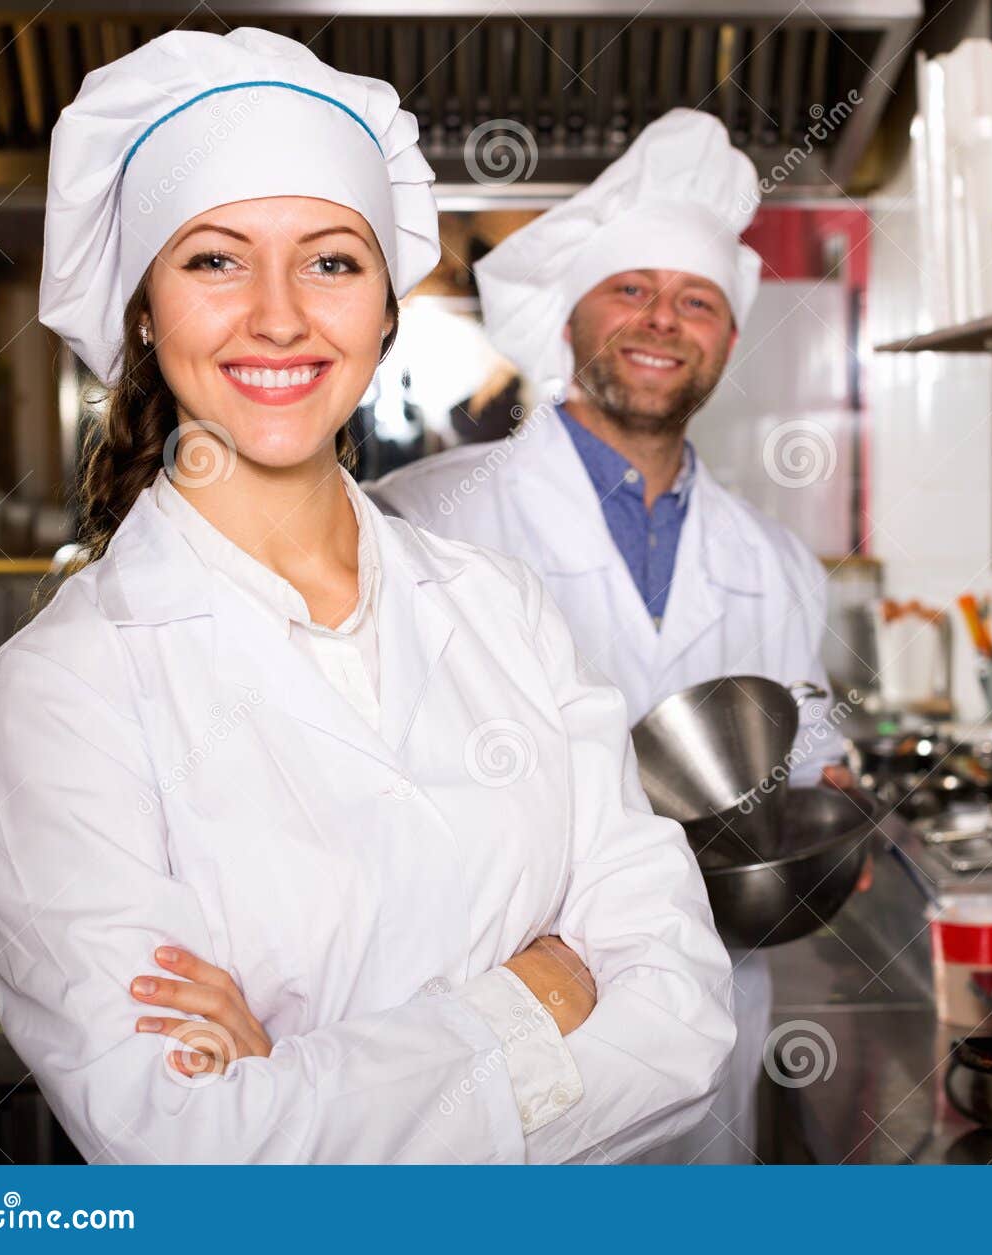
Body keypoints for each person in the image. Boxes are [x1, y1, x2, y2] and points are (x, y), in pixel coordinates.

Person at [0, 28, 734, 1165]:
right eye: (215, 260)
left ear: (383, 311)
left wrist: (298, 1070)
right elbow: (194, 1155)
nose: (279, 315)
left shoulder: (503, 610)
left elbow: (684, 1024)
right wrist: (531, 1000)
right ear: (142, 310)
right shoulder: (62, 693)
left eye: (331, 260)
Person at [367, 109, 853, 1165]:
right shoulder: (423, 520)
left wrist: (834, 809)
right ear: (570, 320)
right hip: (490, 1001)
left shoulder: (774, 563)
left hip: (710, 1002)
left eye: (695, 301)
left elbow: (810, 759)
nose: (661, 320)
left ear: (727, 335)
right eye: (629, 289)